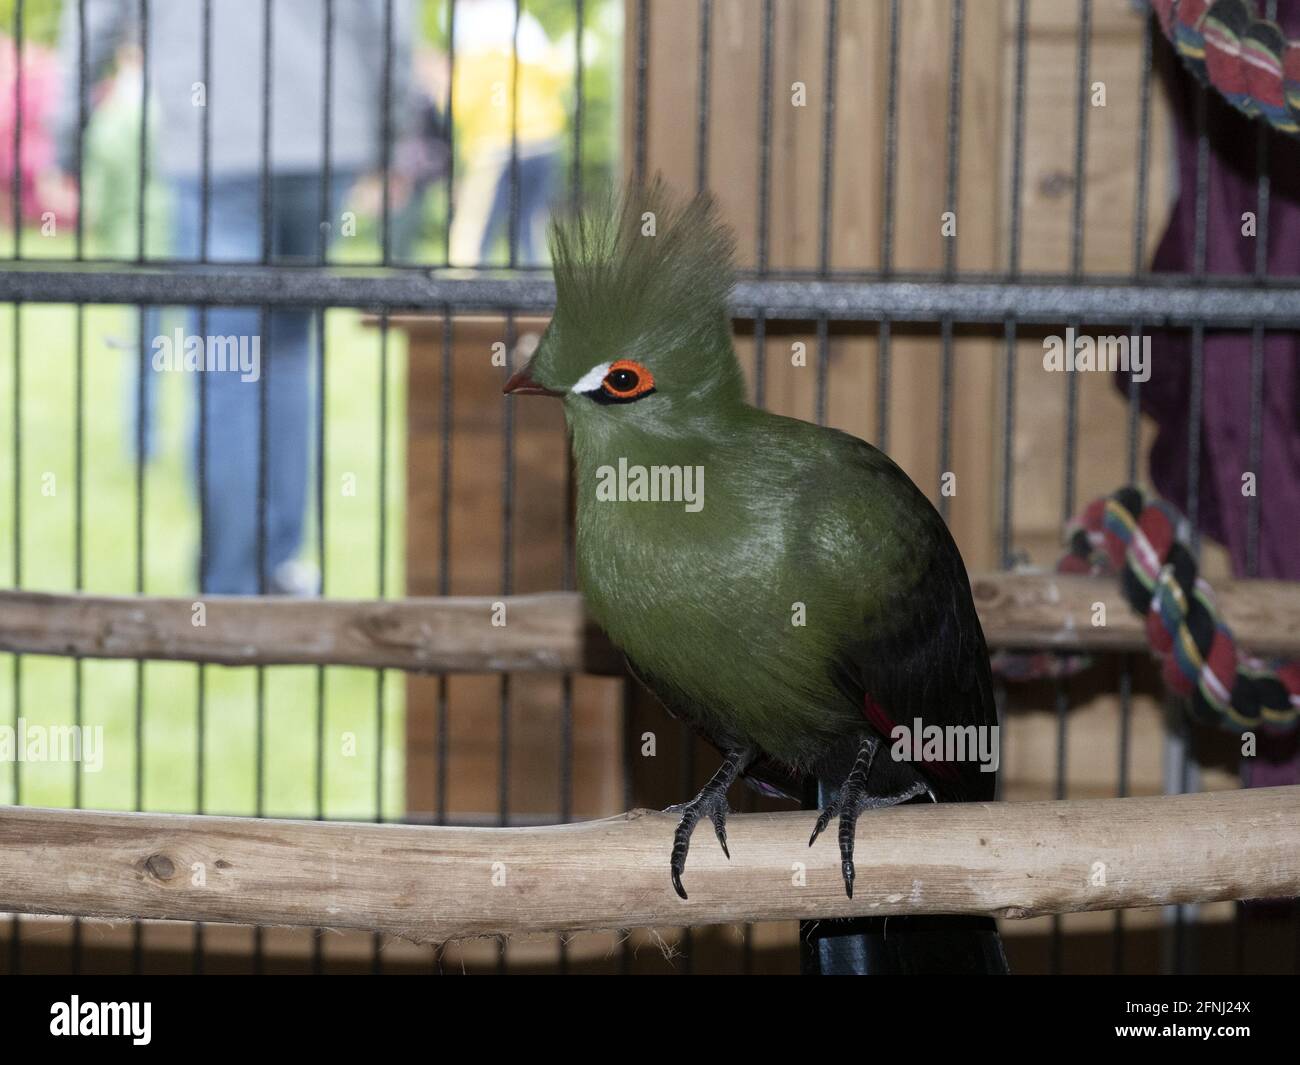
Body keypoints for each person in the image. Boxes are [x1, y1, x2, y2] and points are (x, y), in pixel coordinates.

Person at [52, 0, 414, 595]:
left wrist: (70, 133)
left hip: (215, 141)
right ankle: (279, 565)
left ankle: (228, 582)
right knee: (290, 352)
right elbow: (387, 20)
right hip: (320, 136)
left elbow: (97, 16)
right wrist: (391, 130)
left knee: (227, 362)